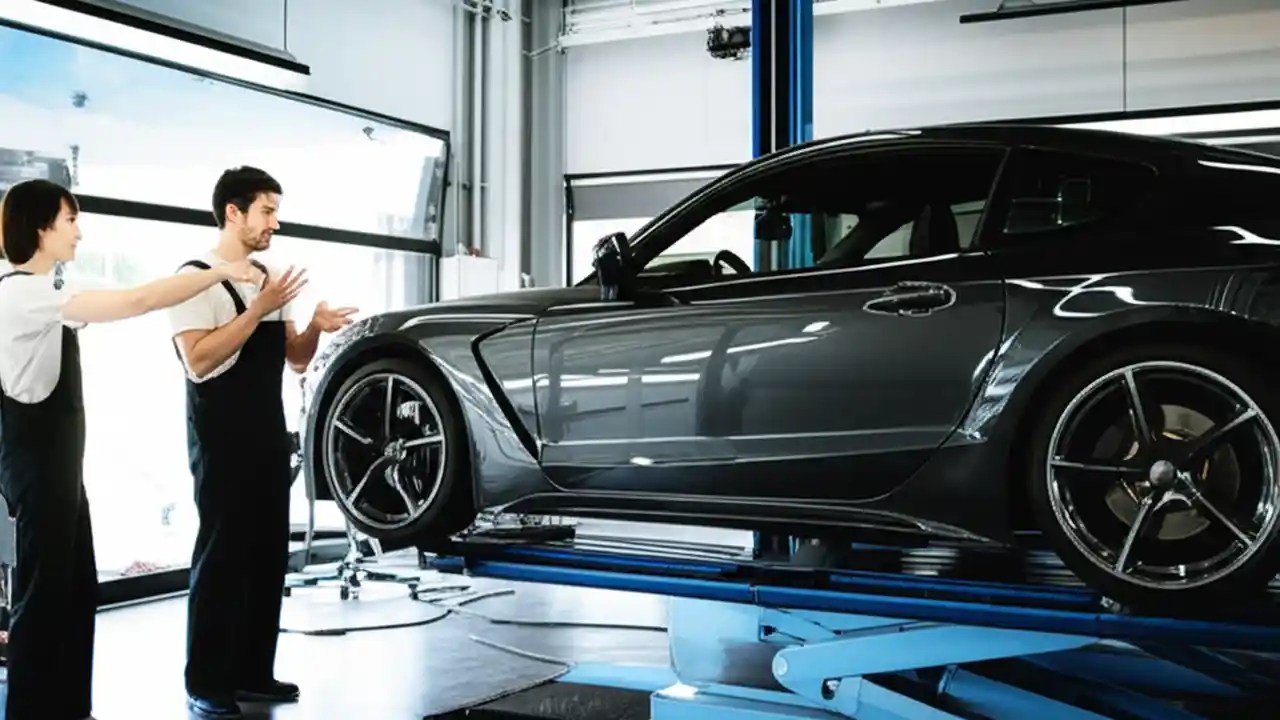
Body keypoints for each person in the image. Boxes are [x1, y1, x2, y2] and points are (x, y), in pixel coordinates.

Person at [0, 178, 256, 720]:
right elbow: (137, 300)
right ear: (41, 227)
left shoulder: (48, 295)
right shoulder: (21, 293)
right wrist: (217, 272)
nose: (79, 232)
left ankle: (70, 708)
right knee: (43, 601)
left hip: (63, 471)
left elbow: (121, 299)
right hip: (38, 468)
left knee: (74, 594)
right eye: (70, 221)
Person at [169, 166, 356, 719]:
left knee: (266, 556)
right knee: (222, 558)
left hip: (267, 439)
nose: (275, 221)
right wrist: (255, 308)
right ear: (234, 212)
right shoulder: (194, 278)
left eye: (276, 211)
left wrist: (316, 325)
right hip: (220, 440)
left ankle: (253, 672)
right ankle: (206, 681)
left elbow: (294, 356)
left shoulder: (269, 277)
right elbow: (198, 360)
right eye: (267, 210)